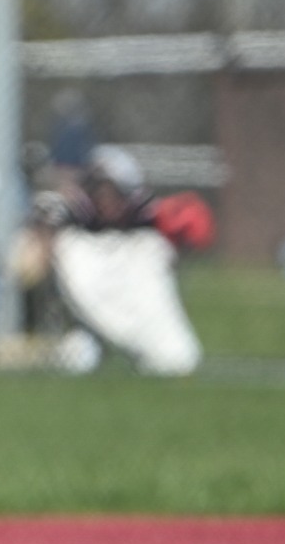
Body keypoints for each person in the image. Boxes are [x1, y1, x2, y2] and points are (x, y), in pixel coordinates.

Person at [36, 145, 204, 376]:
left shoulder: (143, 215)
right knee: (80, 356)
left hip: (130, 289)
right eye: (99, 190)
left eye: (113, 191)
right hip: (85, 300)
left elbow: (175, 242)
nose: (106, 199)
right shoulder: (75, 212)